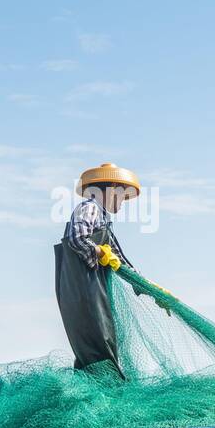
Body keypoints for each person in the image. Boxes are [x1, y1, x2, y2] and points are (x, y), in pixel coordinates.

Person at [55, 162, 141, 378]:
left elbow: (117, 257)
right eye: (123, 196)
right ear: (112, 189)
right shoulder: (89, 208)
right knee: (98, 343)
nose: (123, 203)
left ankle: (96, 386)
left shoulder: (104, 218)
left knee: (102, 344)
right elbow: (77, 238)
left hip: (93, 292)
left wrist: (141, 284)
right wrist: (99, 253)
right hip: (82, 292)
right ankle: (108, 387)